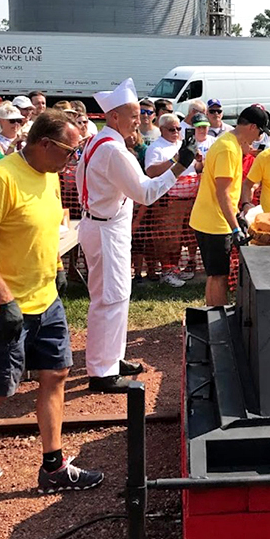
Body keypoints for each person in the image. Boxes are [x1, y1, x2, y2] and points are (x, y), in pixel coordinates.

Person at [0, 110, 104, 492]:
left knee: (56, 374)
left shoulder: (48, 176)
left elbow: (46, 227)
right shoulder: (0, 178)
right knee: (0, 388)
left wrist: (56, 267)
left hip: (44, 299)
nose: (73, 160)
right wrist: (5, 301)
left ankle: (53, 465)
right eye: (70, 151)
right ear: (45, 144)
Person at [76, 79, 195, 392]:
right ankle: (102, 371)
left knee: (115, 294)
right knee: (110, 297)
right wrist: (180, 166)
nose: (140, 121)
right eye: (133, 116)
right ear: (114, 117)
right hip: (106, 227)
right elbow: (145, 192)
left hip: (102, 223)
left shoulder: (97, 142)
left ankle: (111, 359)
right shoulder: (114, 150)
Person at [189, 106, 270, 307]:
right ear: (252, 127)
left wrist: (237, 213)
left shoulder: (228, 143)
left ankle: (211, 315)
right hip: (215, 223)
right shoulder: (227, 149)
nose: (259, 138)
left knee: (214, 274)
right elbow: (222, 192)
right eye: (260, 132)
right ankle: (218, 319)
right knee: (219, 276)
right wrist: (234, 226)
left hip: (210, 219)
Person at [144, 113, 188, 287]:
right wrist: (174, 159)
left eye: (178, 128)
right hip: (169, 199)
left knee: (180, 238)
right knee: (167, 237)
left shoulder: (182, 144)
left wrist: (199, 162)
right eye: (172, 129)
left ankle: (175, 269)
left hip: (187, 198)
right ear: (161, 130)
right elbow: (151, 171)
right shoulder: (156, 148)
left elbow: (194, 168)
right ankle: (166, 271)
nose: (176, 132)